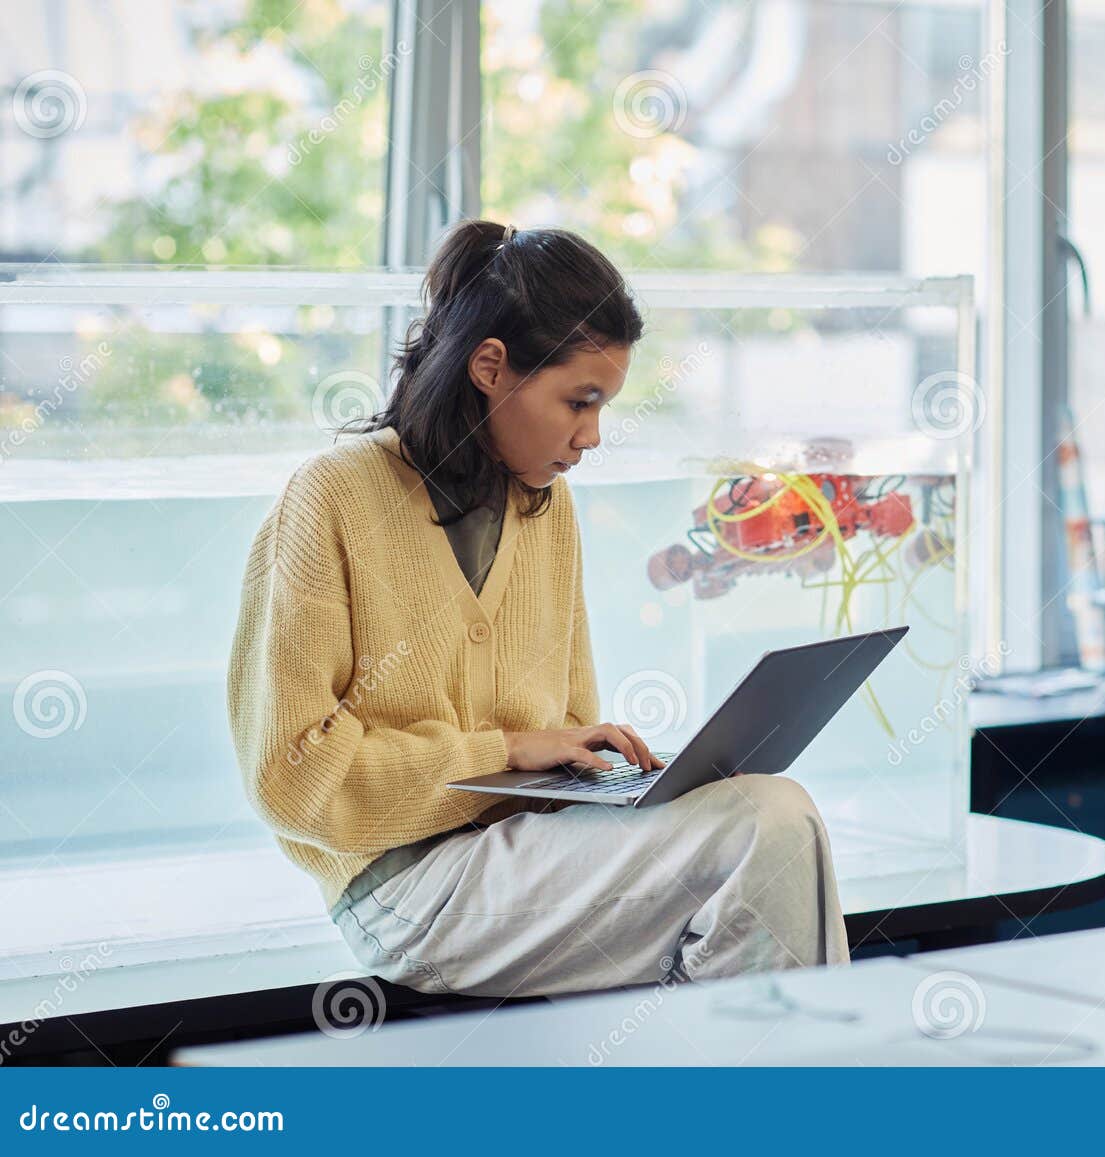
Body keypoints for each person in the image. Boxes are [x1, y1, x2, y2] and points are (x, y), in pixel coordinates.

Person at [226, 220, 849, 997]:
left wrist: (620, 773)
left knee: (767, 814)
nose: (590, 436)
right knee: (770, 824)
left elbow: (558, 731)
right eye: (579, 401)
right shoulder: (331, 498)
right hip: (401, 888)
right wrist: (502, 750)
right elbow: (289, 778)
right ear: (491, 366)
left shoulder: (545, 508)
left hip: (525, 856)